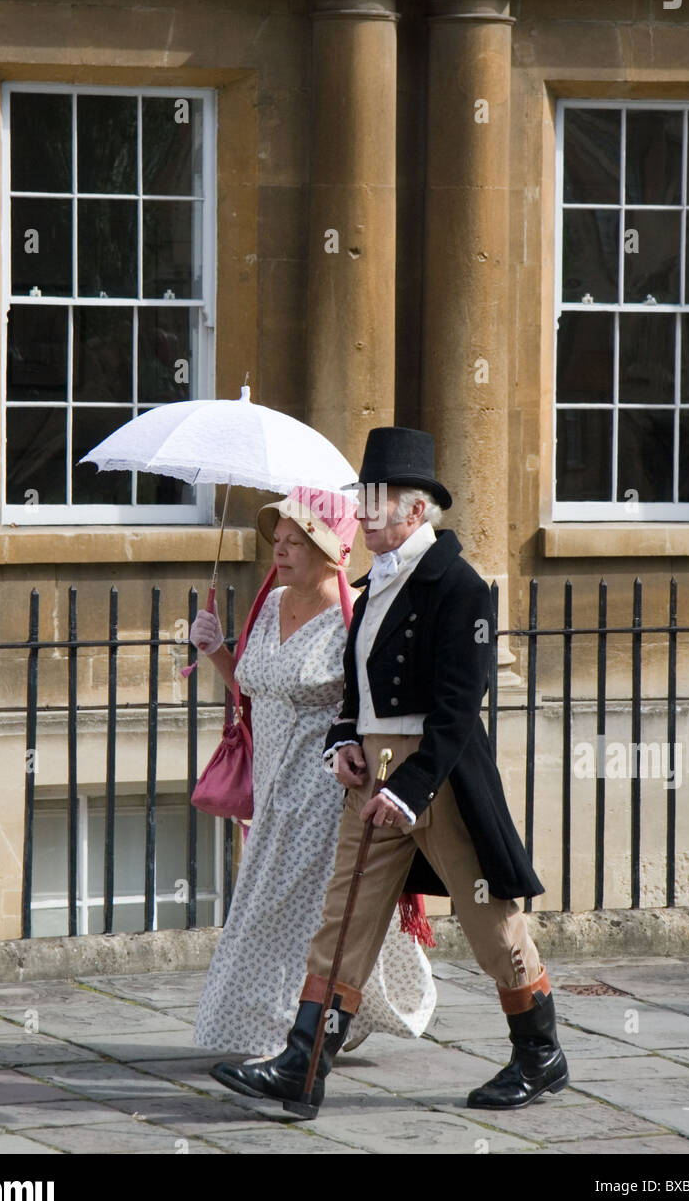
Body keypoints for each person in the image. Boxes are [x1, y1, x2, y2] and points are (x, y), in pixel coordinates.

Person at [211, 428, 569, 1117]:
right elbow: (355, 685)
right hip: (368, 774)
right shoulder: (372, 582)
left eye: (373, 504)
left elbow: (460, 707)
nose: (362, 515)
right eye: (362, 502)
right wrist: (340, 740)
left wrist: (410, 789)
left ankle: (538, 1055)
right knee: (342, 916)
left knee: (488, 921)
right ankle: (303, 1064)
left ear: (413, 511)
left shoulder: (457, 585)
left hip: (437, 777)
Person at [190, 484, 437, 1058]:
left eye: (295, 541)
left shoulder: (355, 621)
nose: (280, 550)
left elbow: (377, 712)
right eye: (277, 539)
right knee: (286, 911)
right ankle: (322, 1022)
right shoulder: (270, 604)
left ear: (331, 551)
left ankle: (286, 1034)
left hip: (323, 793)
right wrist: (216, 650)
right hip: (269, 789)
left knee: (288, 915)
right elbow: (256, 693)